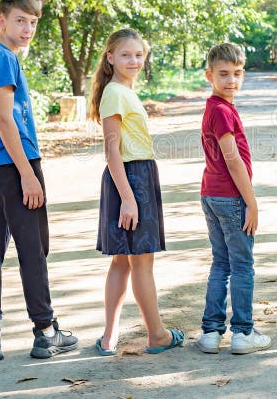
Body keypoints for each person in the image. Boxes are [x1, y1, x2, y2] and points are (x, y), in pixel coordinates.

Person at [0, 0, 78, 361]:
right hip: (13, 165)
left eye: (33, 22)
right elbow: (4, 119)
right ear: (2, 20)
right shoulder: (4, 59)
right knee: (32, 249)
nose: (28, 28)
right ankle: (46, 331)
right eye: (20, 20)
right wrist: (26, 175)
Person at [89, 28, 184, 355]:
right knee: (140, 262)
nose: (134, 61)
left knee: (122, 261)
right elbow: (112, 150)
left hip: (135, 176)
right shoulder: (115, 93)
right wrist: (128, 198)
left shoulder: (122, 91)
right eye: (126, 55)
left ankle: (109, 337)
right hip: (131, 179)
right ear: (110, 57)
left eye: (139, 55)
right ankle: (157, 335)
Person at [195, 43, 272, 355]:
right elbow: (232, 160)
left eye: (237, 74)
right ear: (209, 75)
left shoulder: (214, 107)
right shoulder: (223, 111)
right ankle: (242, 332)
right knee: (241, 265)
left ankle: (211, 333)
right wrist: (251, 202)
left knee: (221, 262)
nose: (231, 80)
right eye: (223, 74)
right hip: (230, 198)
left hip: (211, 194)